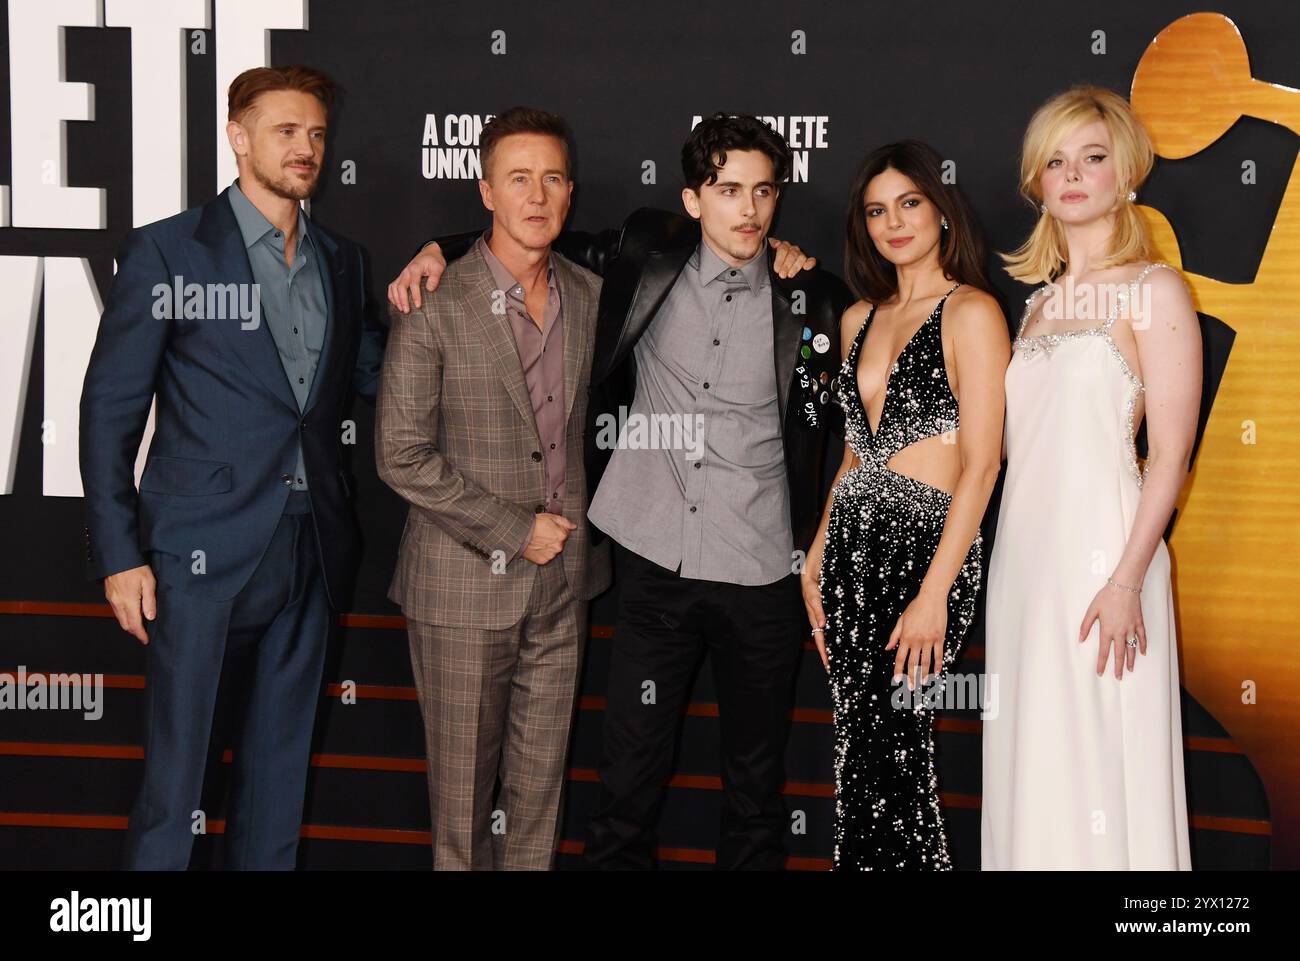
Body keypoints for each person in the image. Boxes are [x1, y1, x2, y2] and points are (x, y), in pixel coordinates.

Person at [390, 113, 849, 869]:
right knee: (624, 794)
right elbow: (532, 234)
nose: (749, 208)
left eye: (763, 191)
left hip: (762, 574)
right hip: (650, 567)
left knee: (755, 796)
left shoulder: (814, 299)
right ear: (693, 199)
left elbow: (852, 439)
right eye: (728, 189)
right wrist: (437, 247)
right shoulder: (643, 257)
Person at [79, 65, 384, 869]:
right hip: (199, 555)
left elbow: (379, 380)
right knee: (175, 792)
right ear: (238, 136)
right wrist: (120, 554)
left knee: (277, 787)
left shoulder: (343, 262)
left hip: (311, 550)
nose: (305, 148)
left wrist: (445, 262)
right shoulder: (168, 250)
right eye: (286, 131)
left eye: (317, 133)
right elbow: (109, 412)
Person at [375, 107, 610, 870]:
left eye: (551, 179)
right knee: (463, 814)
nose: (536, 196)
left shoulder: (595, 294)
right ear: (485, 191)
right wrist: (516, 527)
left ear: (570, 193)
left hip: (565, 583)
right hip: (462, 584)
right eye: (518, 179)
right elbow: (400, 455)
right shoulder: (432, 298)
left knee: (538, 808)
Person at [982, 85, 1199, 869]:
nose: (1072, 175)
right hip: (1023, 570)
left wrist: (1126, 580)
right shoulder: (1034, 308)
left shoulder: (1156, 289)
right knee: (1032, 762)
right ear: (1039, 182)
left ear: (1127, 173)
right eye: (1056, 161)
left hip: (1109, 562)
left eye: (1093, 158)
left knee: (1103, 757)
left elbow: (1171, 452)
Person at [800, 141, 1008, 869]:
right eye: (878, 210)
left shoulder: (973, 311)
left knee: (896, 748)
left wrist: (934, 593)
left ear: (942, 211)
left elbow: (983, 463)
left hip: (925, 548)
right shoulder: (859, 318)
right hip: (852, 543)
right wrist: (817, 551)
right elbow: (857, 452)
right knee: (858, 749)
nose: (895, 222)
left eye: (910, 203)